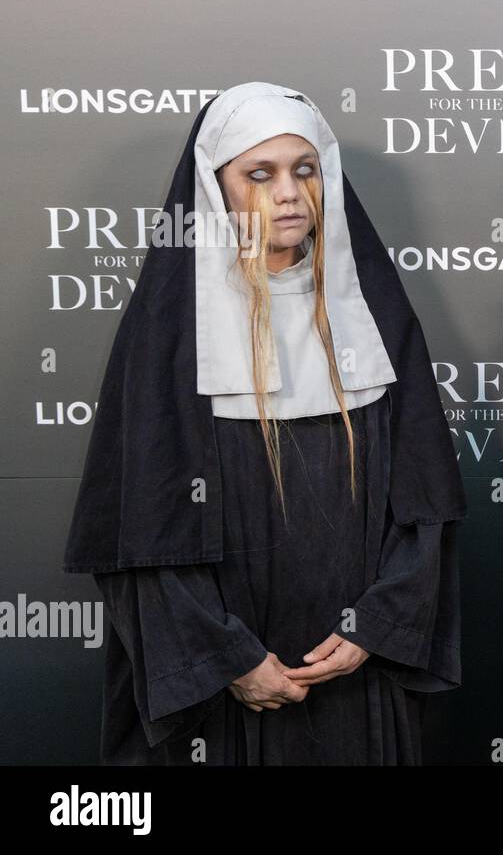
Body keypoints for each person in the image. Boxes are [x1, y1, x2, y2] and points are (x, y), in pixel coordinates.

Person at [62, 82, 467, 765]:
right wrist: (228, 658)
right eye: (260, 173)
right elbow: (137, 537)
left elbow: (425, 506)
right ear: (216, 188)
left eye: (304, 169)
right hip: (222, 696)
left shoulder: (374, 320)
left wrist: (373, 628)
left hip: (353, 683)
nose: (288, 192)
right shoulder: (166, 339)